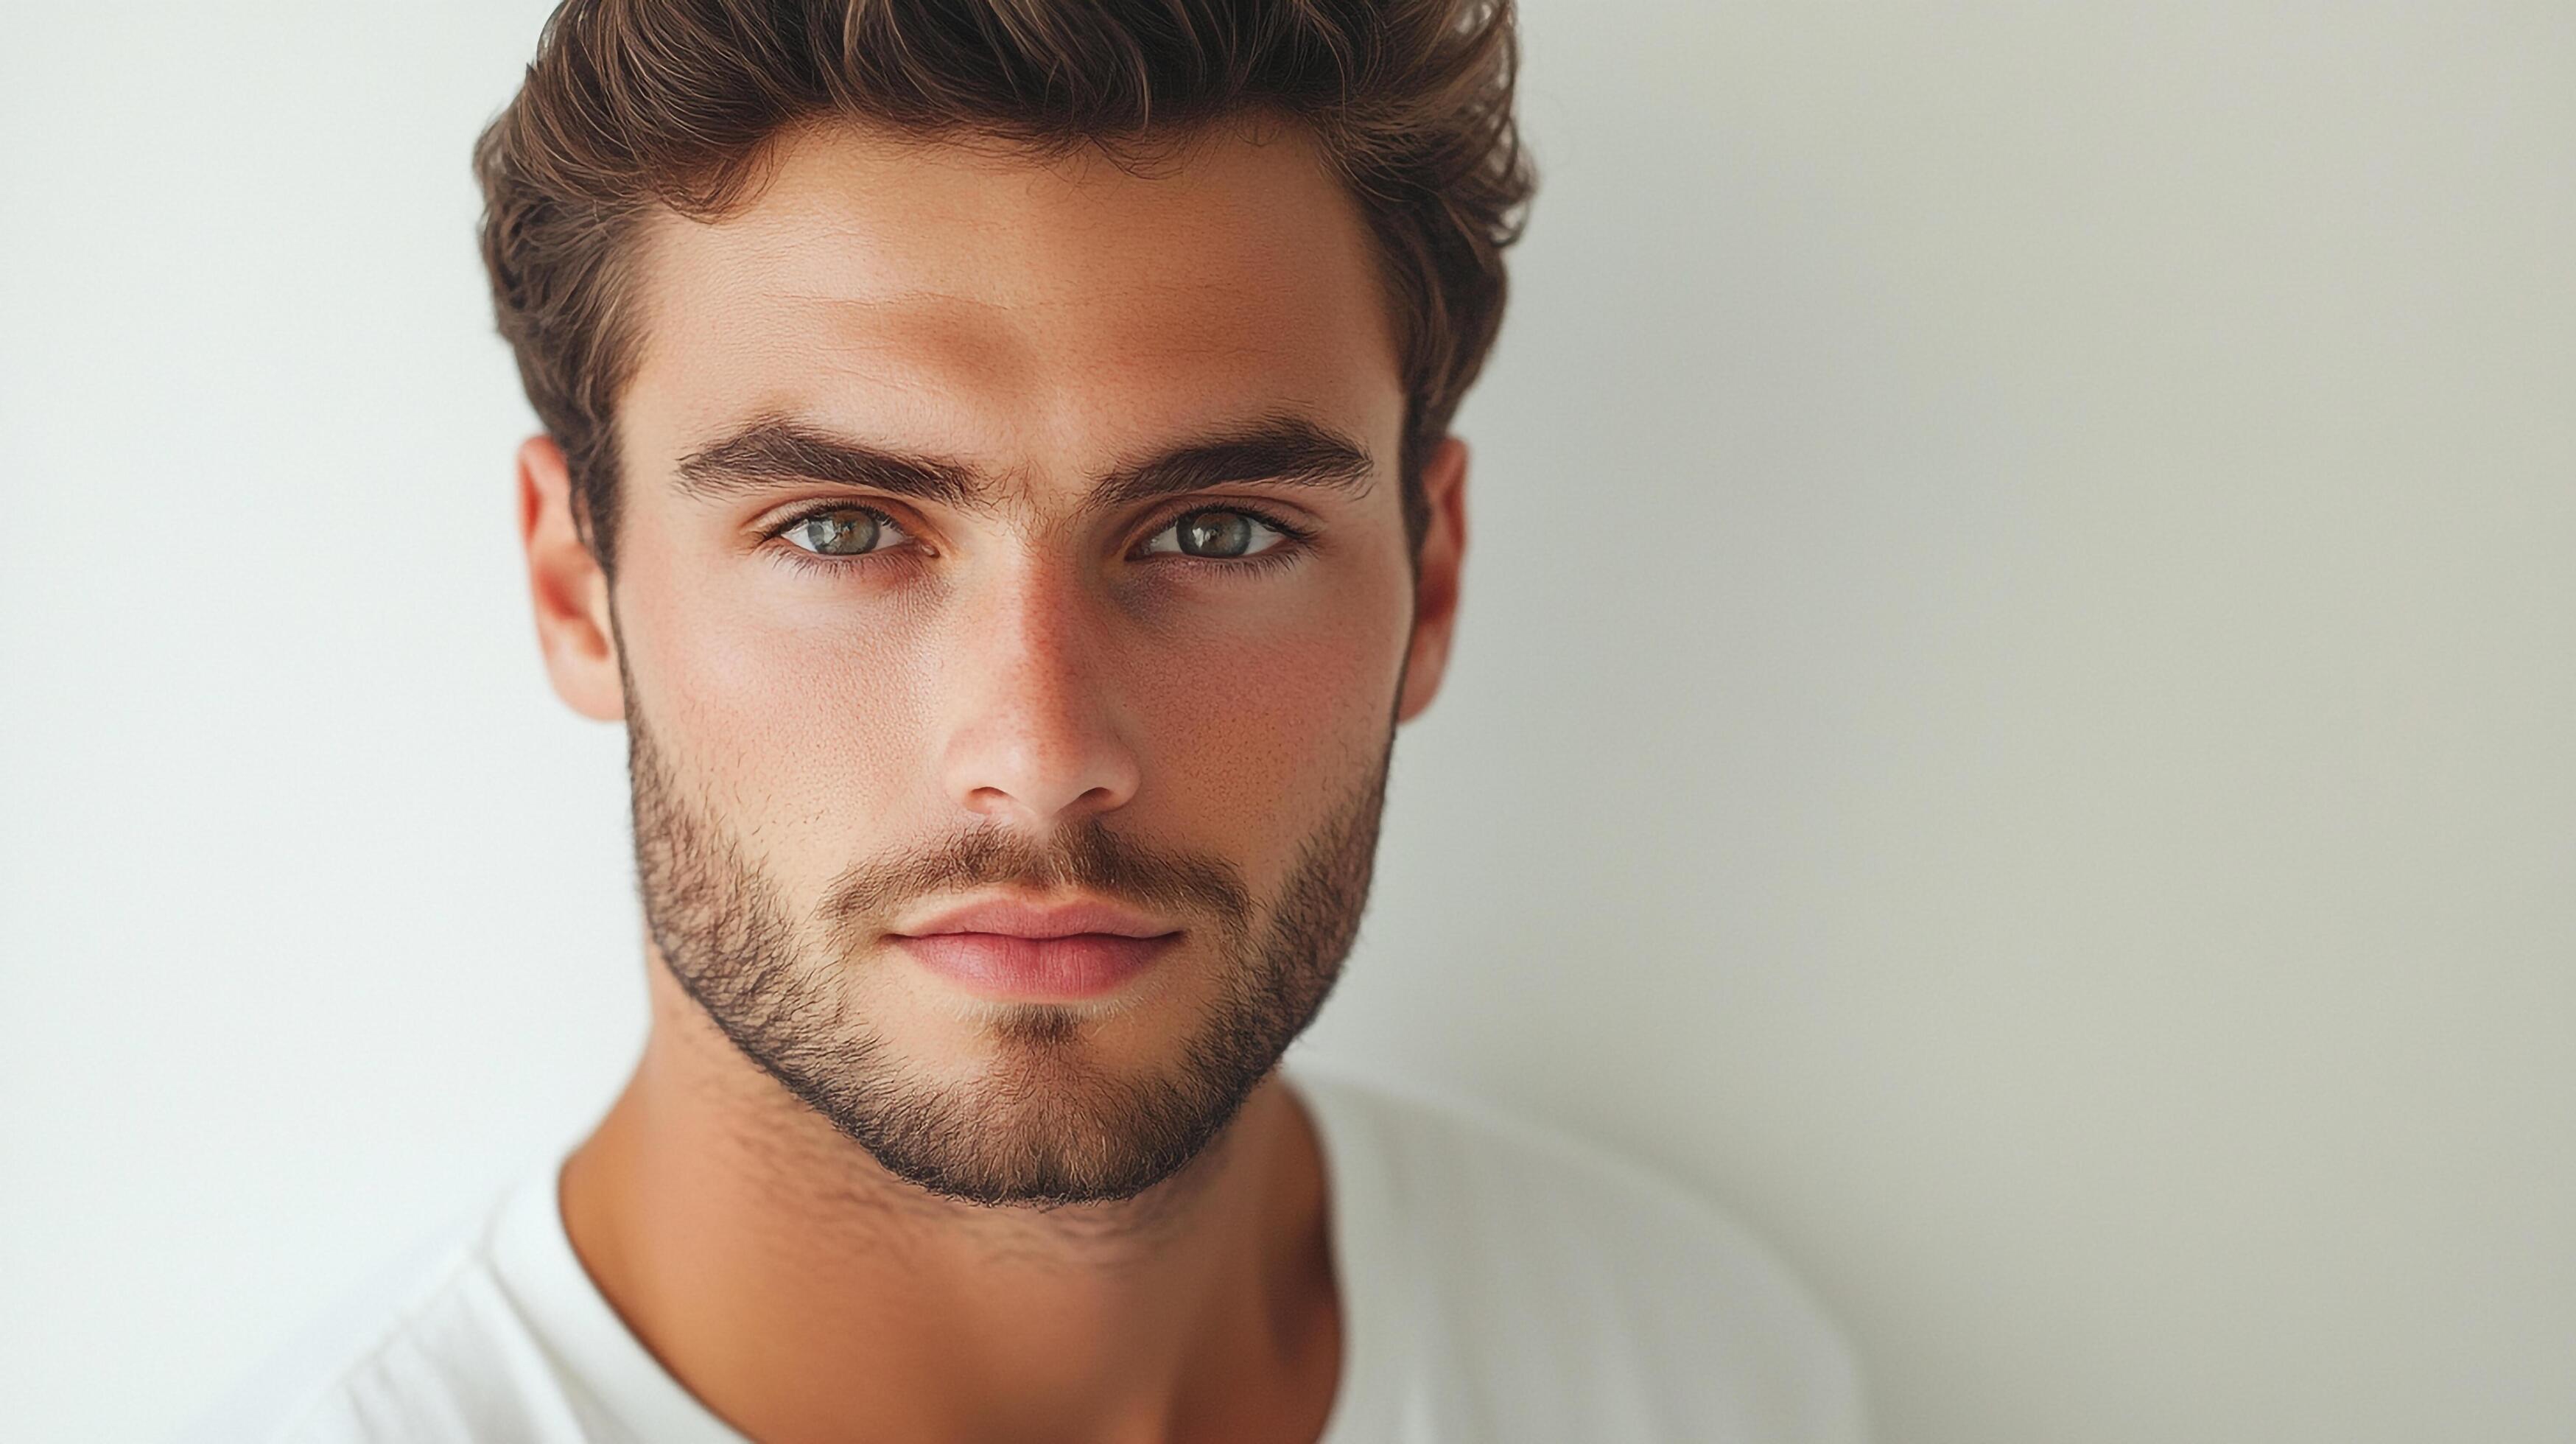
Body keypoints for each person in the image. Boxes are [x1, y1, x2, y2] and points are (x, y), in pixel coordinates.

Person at [195, 1, 1866, 1439]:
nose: (1043, 741)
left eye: (1218, 530)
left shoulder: (1695, 1366)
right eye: (842, 528)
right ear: (579, 587)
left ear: (1429, 579)